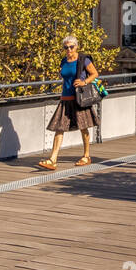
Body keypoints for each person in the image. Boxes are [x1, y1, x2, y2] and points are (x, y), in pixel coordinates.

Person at [37, 35, 100, 170]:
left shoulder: (84, 59)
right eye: (66, 47)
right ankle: (53, 159)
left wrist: (84, 82)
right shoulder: (64, 61)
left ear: (76, 46)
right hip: (65, 98)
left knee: (83, 127)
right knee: (59, 128)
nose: (69, 49)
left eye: (71, 47)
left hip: (78, 98)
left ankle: (86, 155)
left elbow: (95, 74)